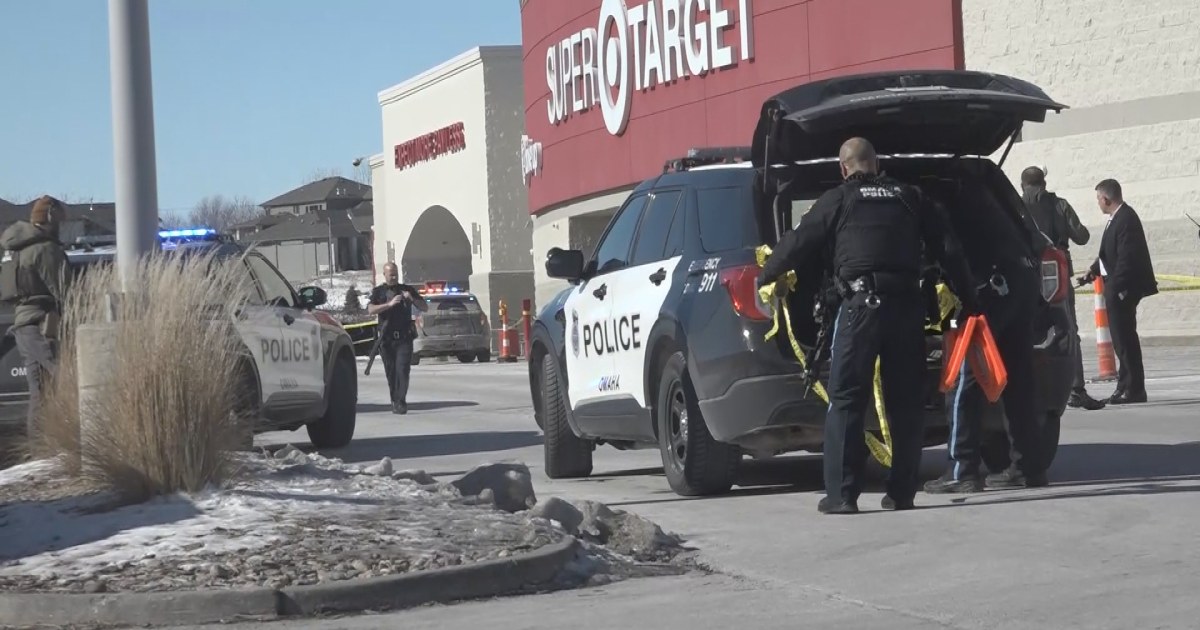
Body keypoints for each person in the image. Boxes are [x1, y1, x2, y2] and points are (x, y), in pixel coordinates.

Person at [758, 138, 979, 514]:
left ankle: (842, 496)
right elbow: (949, 247)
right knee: (905, 403)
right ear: (875, 164)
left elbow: (799, 242)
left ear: (844, 168)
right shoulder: (910, 197)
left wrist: (768, 272)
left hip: (861, 308)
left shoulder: (839, 199)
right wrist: (969, 299)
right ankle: (902, 493)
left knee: (846, 399)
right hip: (907, 309)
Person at [923, 166, 1051, 493]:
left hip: (989, 288)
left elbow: (949, 250)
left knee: (962, 377)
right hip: (1021, 281)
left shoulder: (936, 200)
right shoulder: (979, 190)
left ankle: (961, 469)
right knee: (1017, 376)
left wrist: (965, 297)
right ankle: (1028, 466)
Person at [1020, 166, 1105, 411]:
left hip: (1023, 271)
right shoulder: (1059, 205)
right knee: (1067, 328)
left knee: (1023, 329)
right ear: (1043, 183)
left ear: (1023, 185)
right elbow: (1082, 236)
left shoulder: (1014, 206)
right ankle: (1076, 390)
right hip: (1057, 271)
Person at [1077, 179, 1157, 404]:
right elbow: (1108, 254)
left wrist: (1113, 288)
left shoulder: (1126, 219)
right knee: (1121, 341)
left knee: (1125, 340)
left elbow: (1126, 259)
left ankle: (1134, 389)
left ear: (1106, 199)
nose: (1098, 204)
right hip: (1116, 287)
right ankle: (1125, 385)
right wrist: (1091, 272)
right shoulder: (1116, 219)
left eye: (1098, 200)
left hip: (1123, 290)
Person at [0, 196, 70, 439]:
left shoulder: (16, 247)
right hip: (43, 324)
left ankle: (40, 447)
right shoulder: (45, 249)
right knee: (68, 379)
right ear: (50, 217)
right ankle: (66, 441)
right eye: (60, 218)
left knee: (38, 391)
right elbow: (65, 290)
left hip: (23, 325)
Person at [367, 263, 427, 414]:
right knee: (391, 372)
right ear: (384, 275)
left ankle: (401, 401)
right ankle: (394, 399)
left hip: (404, 338)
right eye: (390, 274)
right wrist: (389, 304)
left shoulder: (406, 290)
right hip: (387, 339)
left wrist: (411, 298)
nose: (393, 277)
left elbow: (424, 307)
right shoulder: (379, 292)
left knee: (402, 370)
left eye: (395, 274)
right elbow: (370, 309)